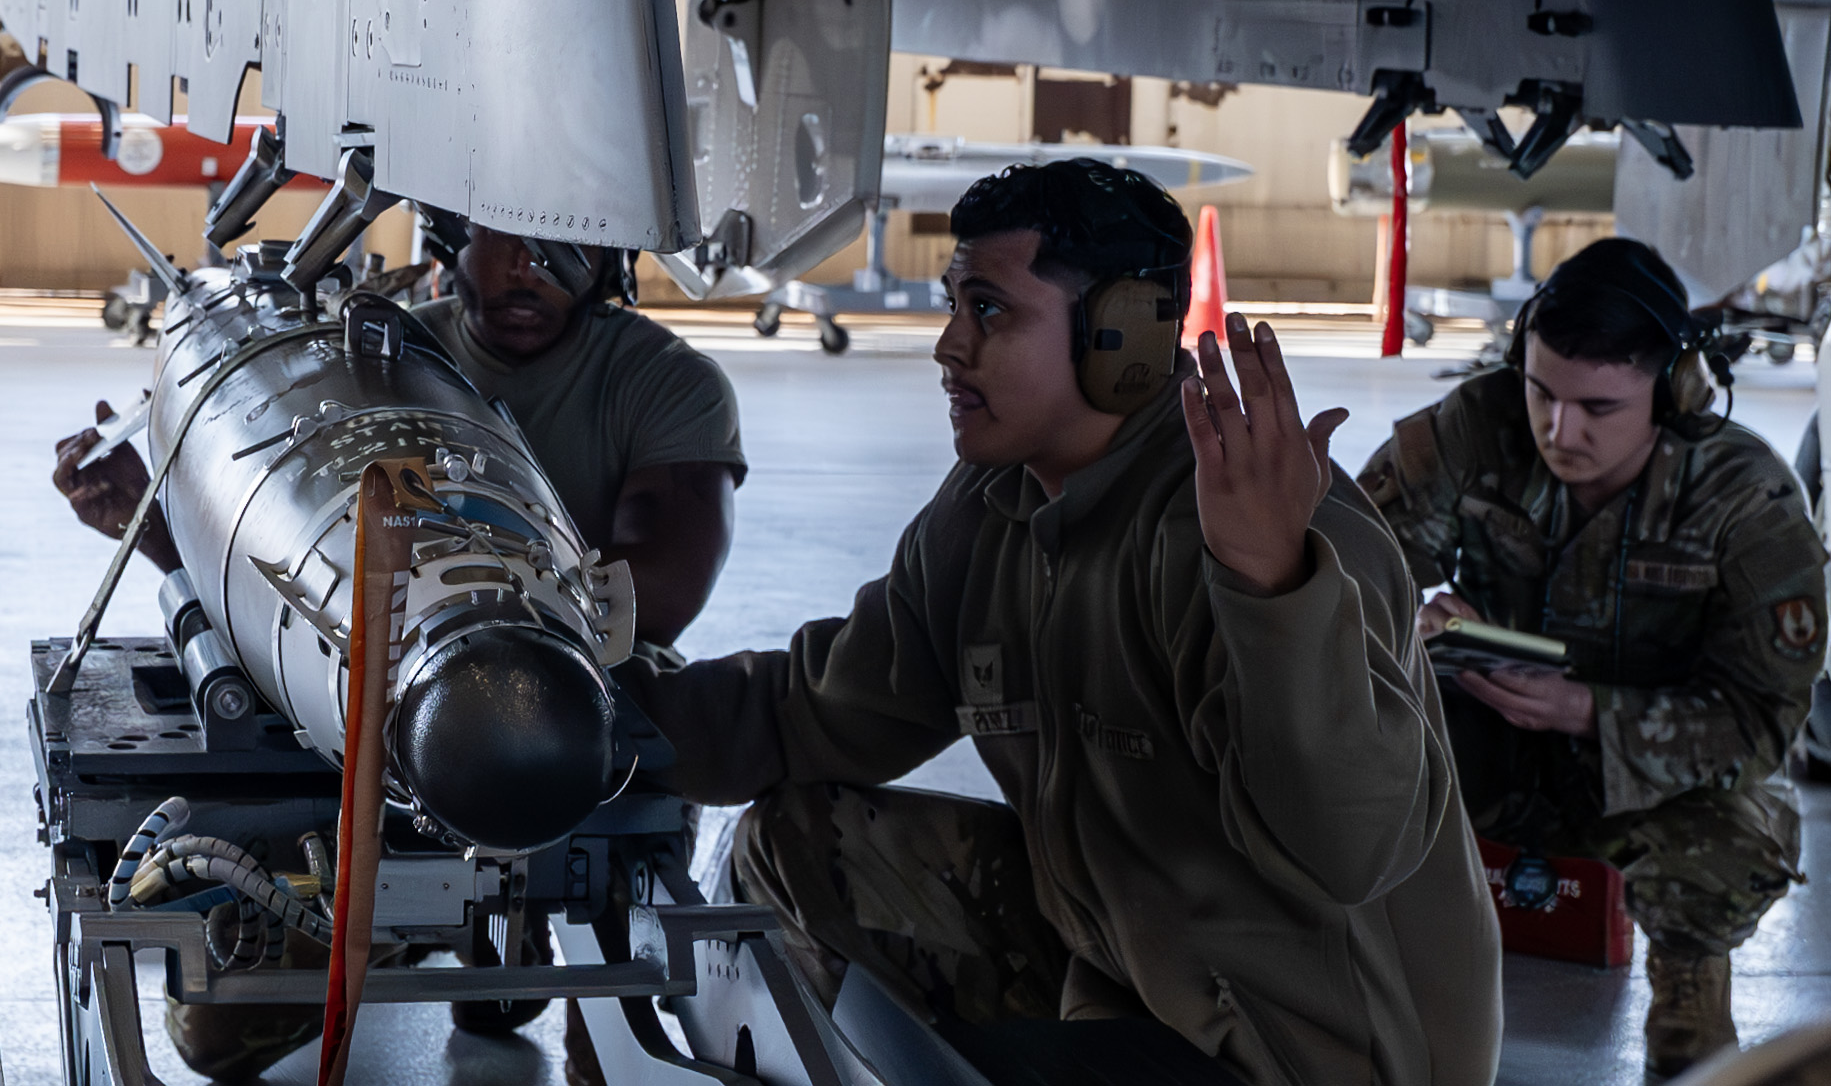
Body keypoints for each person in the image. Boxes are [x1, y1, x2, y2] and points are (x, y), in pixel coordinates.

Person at [612, 159, 1503, 1086]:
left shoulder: (1275, 527)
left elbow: (1350, 848)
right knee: (797, 842)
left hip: (1314, 1051)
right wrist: (610, 722)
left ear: (1122, 336)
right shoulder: (993, 504)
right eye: (953, 305)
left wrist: (1270, 587)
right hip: (1129, 981)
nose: (948, 346)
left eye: (989, 311)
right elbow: (820, 707)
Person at [51, 221, 747, 1080]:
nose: (528, 266)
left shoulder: (665, 380)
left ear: (609, 252)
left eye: (563, 240)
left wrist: (503, 621)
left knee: (591, 1021)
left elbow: (666, 593)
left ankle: (538, 929)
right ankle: (435, 917)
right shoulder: (386, 342)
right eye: (504, 236)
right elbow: (279, 565)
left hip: (566, 724)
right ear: (452, 233)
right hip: (380, 735)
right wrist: (161, 529)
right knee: (219, 1030)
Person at [1358, 238, 1827, 1079]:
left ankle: (1688, 1041)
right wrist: (1411, 617)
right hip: (1487, 735)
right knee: (1326, 762)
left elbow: (1758, 723)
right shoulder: (1479, 423)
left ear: (1673, 390)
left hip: (1655, 775)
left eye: (1598, 407)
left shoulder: (1743, 499)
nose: (1558, 429)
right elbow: (1356, 562)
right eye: (1541, 391)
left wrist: (1584, 710)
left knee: (1722, 847)